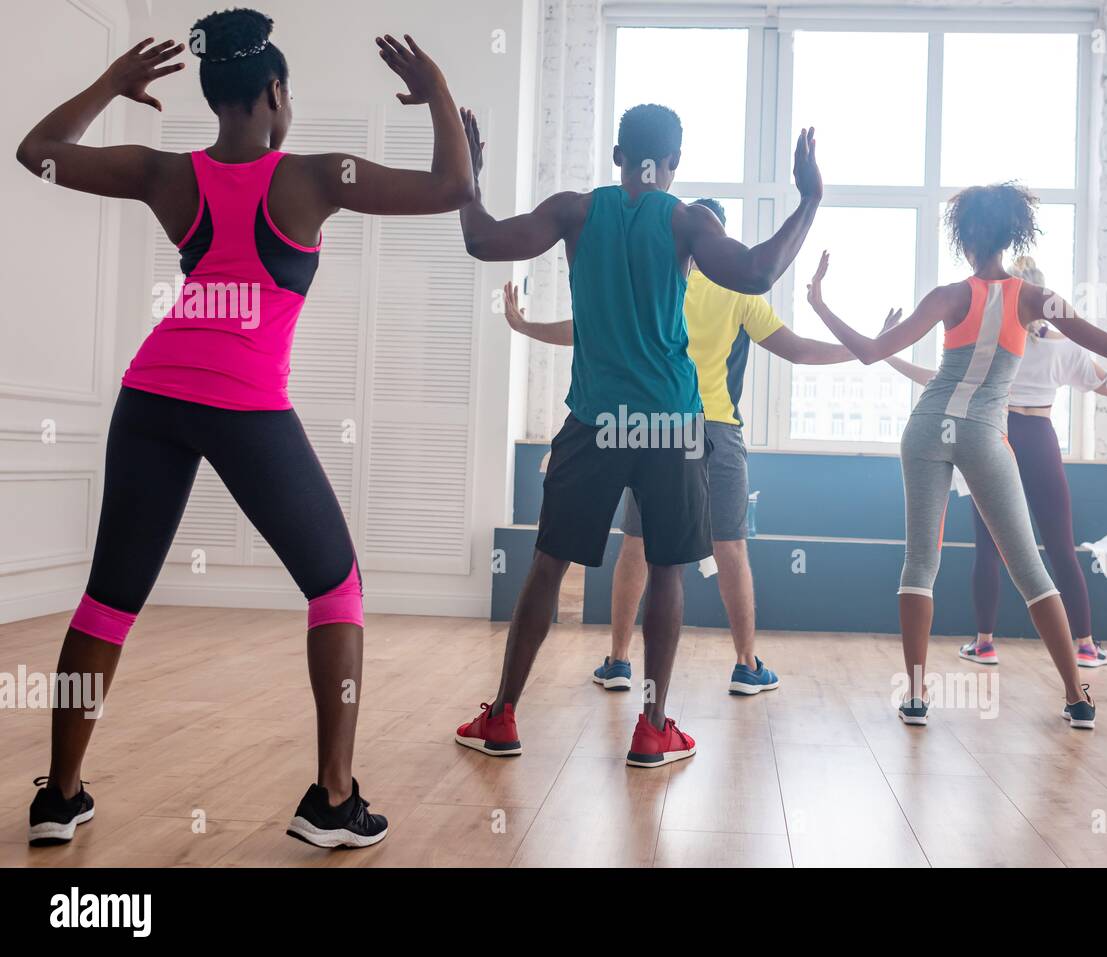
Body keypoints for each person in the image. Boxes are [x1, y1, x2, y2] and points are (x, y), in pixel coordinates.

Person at [15, 8, 473, 847]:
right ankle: (332, 802)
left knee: (107, 602)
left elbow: (36, 150)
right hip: (244, 401)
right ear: (272, 93)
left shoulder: (165, 173)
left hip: (150, 393)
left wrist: (109, 87)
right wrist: (438, 93)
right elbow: (453, 189)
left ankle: (59, 798)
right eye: (286, 93)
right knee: (336, 587)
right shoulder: (313, 177)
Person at [454, 105, 822, 766]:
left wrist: (468, 178)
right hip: (673, 423)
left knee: (546, 567)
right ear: (673, 163)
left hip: (595, 421)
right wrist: (809, 200)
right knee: (667, 572)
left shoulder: (574, 210)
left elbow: (481, 240)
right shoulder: (686, 220)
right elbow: (759, 270)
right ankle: (653, 727)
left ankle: (504, 714)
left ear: (618, 151)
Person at [806, 183, 1107, 729]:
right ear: (1012, 234)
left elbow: (867, 352)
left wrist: (819, 303)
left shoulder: (946, 296)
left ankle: (914, 697)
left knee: (919, 562)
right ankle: (1077, 698)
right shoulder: (1034, 299)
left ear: (964, 238)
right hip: (984, 431)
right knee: (1029, 565)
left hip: (927, 428)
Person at [498, 199, 854, 697]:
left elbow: (586, 332)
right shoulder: (736, 292)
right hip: (715, 430)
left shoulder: (658, 282)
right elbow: (795, 349)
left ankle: (619, 661)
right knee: (729, 546)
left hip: (655, 426)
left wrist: (526, 327)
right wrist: (863, 349)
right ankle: (746, 666)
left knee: (638, 545)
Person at [880, 255, 1107, 668]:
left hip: (995, 436)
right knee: (1060, 549)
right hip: (1039, 439)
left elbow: (937, 380)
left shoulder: (994, 344)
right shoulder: (1067, 349)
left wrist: (888, 352)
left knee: (988, 548)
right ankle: (1086, 645)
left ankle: (984, 643)